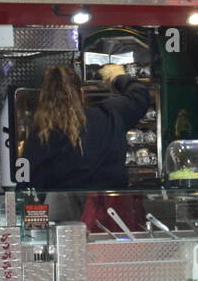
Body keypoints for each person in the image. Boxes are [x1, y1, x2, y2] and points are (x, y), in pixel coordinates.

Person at [19, 64, 151, 219]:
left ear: (43, 97)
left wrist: (34, 233)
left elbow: (28, 191)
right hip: (113, 219)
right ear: (81, 93)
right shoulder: (110, 115)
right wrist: (117, 77)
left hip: (66, 224)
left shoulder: (41, 136)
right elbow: (140, 95)